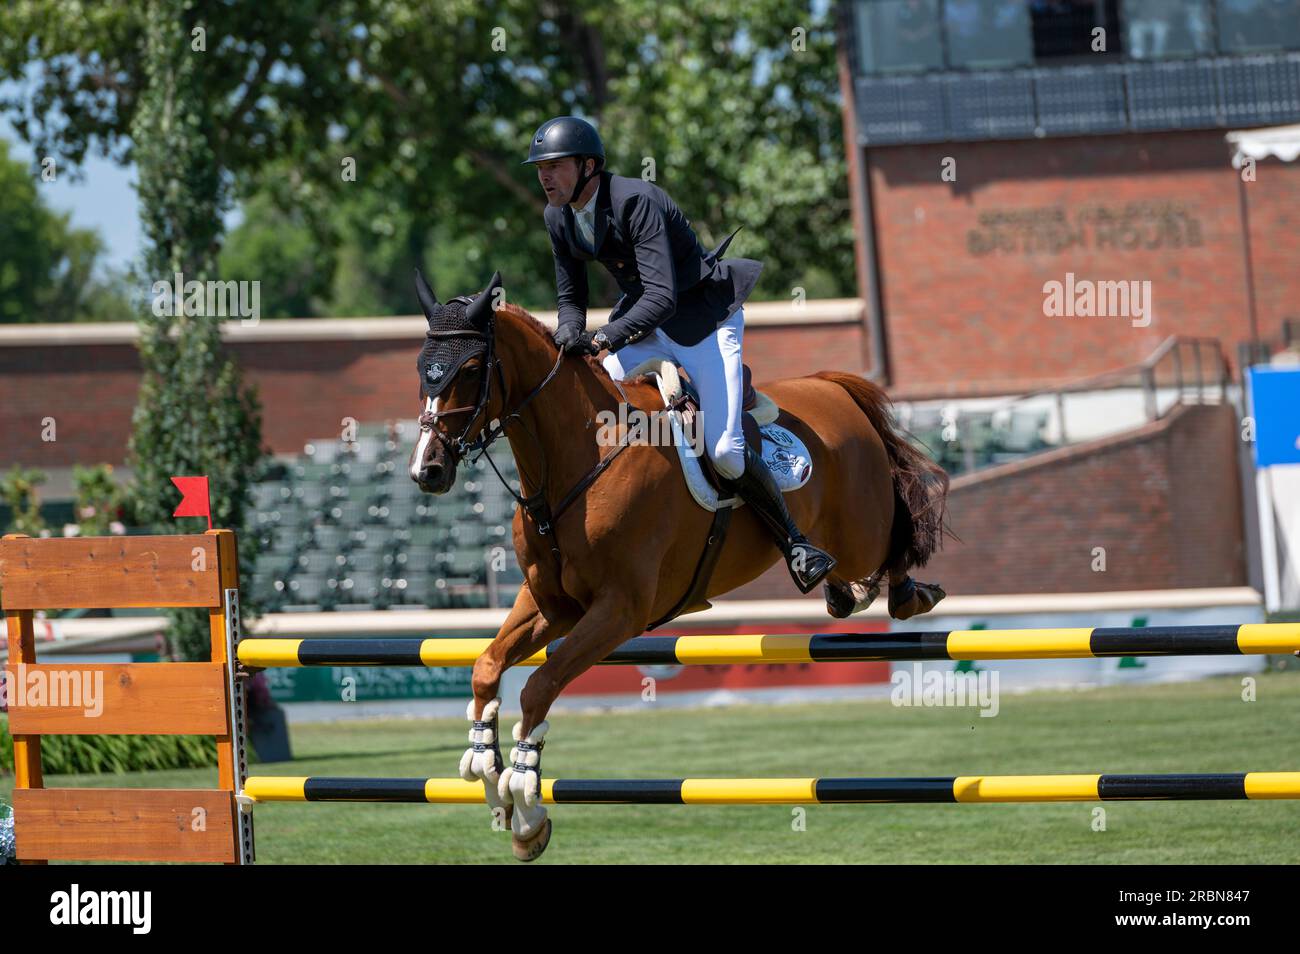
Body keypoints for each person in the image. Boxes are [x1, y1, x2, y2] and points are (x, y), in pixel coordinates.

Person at [523, 115, 836, 594]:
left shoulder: (637, 201)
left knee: (726, 451)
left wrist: (605, 338)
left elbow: (664, 297)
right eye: (540, 168)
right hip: (645, 324)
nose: (545, 177)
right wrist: (568, 335)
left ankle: (795, 543)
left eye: (556, 166)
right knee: (590, 397)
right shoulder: (557, 216)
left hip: (701, 320)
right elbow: (571, 299)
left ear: (589, 166)